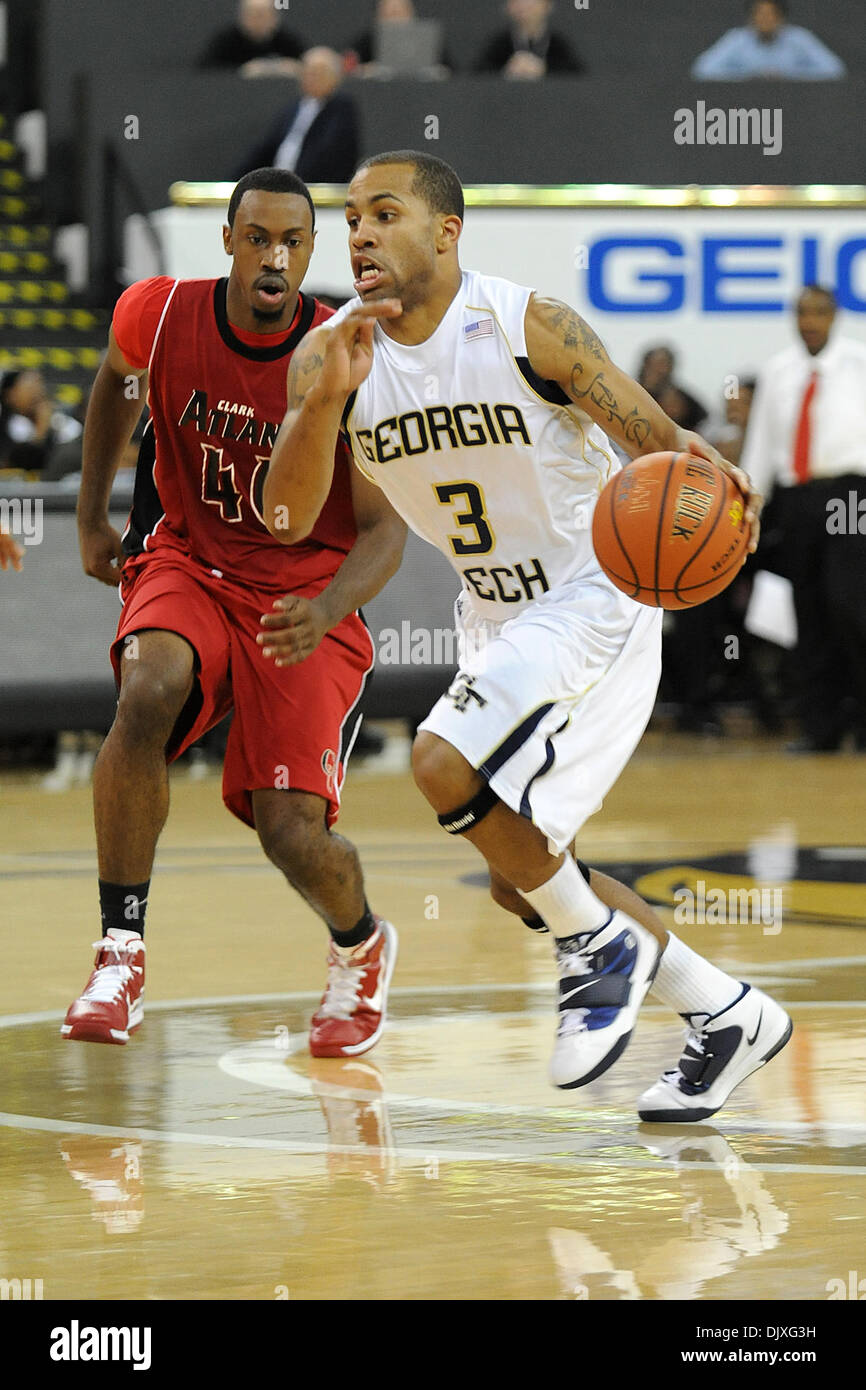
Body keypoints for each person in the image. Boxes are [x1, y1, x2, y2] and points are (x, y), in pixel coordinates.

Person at [260, 149, 793, 1123]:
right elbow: (287, 518)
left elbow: (656, 445)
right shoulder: (331, 355)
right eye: (351, 220)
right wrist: (321, 404)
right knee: (524, 881)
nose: (361, 234)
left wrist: (715, 477)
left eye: (385, 213)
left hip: (593, 598)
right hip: (494, 618)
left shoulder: (525, 325)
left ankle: (599, 949)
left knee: (437, 761)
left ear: (447, 231)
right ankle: (725, 1012)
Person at [63, 168, 407, 1057]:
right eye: (258, 238)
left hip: (302, 598)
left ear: (310, 253)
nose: (275, 257)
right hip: (189, 558)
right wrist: (92, 512)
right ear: (227, 241)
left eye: (293, 242)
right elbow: (115, 383)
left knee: (289, 831)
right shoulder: (160, 313)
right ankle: (120, 954)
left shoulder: (346, 357)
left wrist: (328, 607)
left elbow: (382, 532)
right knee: (149, 687)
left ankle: (361, 944)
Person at [741, 285, 866, 752]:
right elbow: (761, 443)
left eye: (817, 313)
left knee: (850, 606)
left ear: (834, 317)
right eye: (801, 313)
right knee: (808, 611)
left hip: (849, 495)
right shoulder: (779, 371)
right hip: (796, 499)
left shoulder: (859, 363)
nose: (808, 321)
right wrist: (751, 501)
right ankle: (821, 728)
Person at [234, 49, 360, 183]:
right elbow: (265, 149)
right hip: (276, 185)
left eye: (319, 73)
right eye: (308, 72)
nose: (312, 78)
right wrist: (238, 181)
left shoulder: (342, 109)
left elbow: (331, 155)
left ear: (335, 77)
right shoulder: (292, 109)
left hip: (311, 188)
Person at [691, 0, 845, 80]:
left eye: (771, 15)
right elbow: (702, 69)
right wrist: (750, 77)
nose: (765, 20)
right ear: (751, 17)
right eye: (760, 14)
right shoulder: (737, 40)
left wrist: (787, 76)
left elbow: (834, 69)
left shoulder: (799, 39)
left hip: (796, 104)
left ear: (781, 17)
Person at [0, 369, 82, 476]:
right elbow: (19, 463)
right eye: (31, 388)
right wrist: (41, 428)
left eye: (40, 386)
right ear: (10, 393)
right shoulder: (5, 424)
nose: (38, 393)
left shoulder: (59, 422)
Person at [476, 0, 584, 79]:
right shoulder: (499, 44)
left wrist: (543, 70)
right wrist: (508, 71)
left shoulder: (558, 45)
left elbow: (575, 75)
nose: (523, 5)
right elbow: (479, 75)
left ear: (547, 5)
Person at [349, 0, 453, 79]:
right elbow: (349, 63)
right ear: (378, 16)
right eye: (388, 14)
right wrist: (365, 70)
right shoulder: (369, 39)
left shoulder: (427, 40)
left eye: (399, 13)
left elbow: (450, 69)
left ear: (411, 14)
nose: (395, 20)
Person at [198, 0, 303, 78]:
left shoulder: (287, 41)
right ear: (242, 17)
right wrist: (241, 71)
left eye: (263, 15)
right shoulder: (226, 41)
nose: (259, 21)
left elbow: (309, 62)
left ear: (275, 18)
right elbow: (206, 70)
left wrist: (291, 68)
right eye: (253, 15)